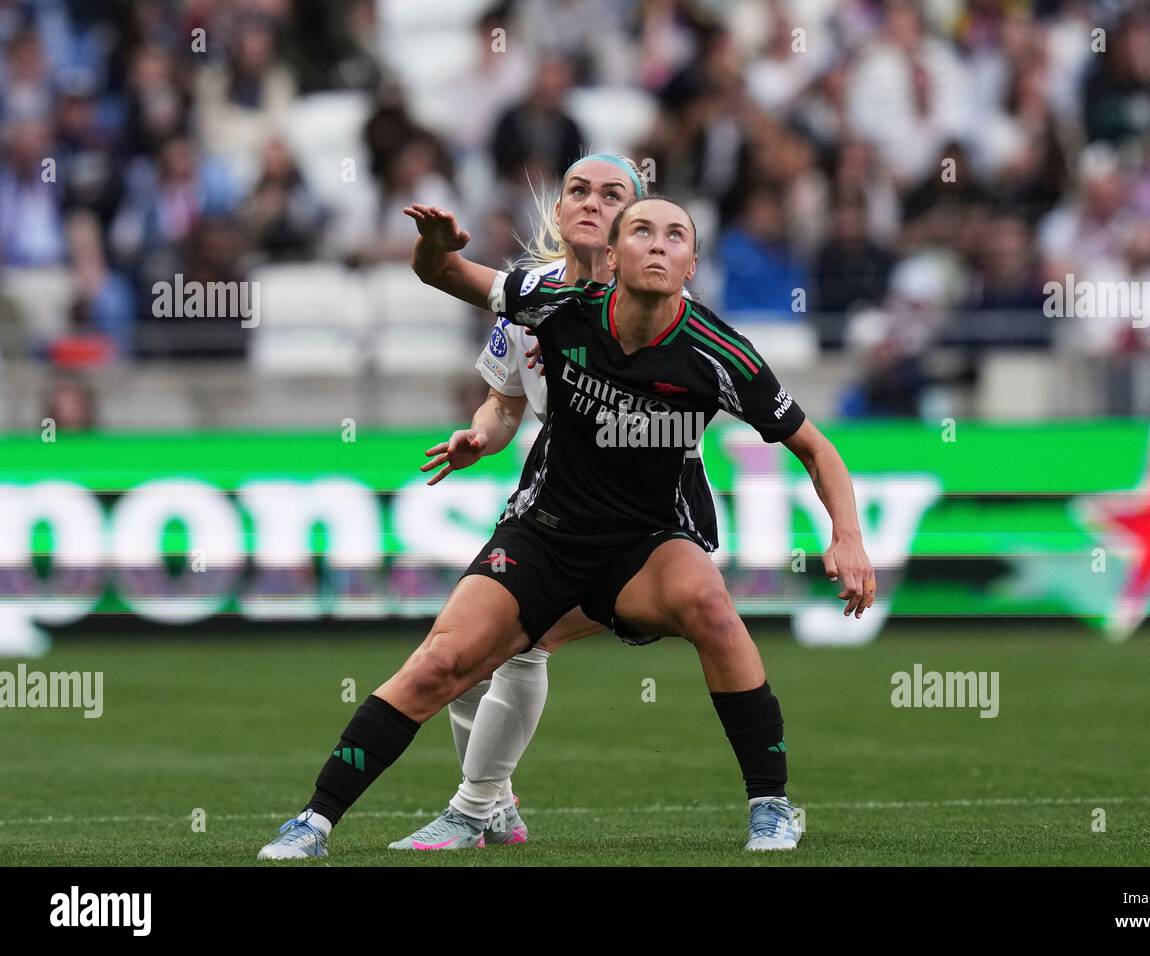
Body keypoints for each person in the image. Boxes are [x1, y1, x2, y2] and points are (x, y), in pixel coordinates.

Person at [256, 194, 874, 859]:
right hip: (545, 534)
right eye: (642, 231)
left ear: (692, 262)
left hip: (646, 545)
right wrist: (437, 246)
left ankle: (772, 807)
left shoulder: (717, 352)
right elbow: (445, 276)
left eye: (676, 236)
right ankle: (314, 824)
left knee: (713, 610)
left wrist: (847, 537)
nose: (659, 244)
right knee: (442, 664)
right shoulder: (557, 306)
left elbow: (816, 447)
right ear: (611, 256)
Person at [409, 153, 719, 851]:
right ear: (557, 211)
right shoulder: (527, 295)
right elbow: (504, 402)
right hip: (559, 498)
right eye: (577, 190)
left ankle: (471, 809)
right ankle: (497, 806)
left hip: (649, 513)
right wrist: (480, 439)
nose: (590, 203)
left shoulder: (654, 299)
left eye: (613, 195)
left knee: (522, 638)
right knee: (457, 657)